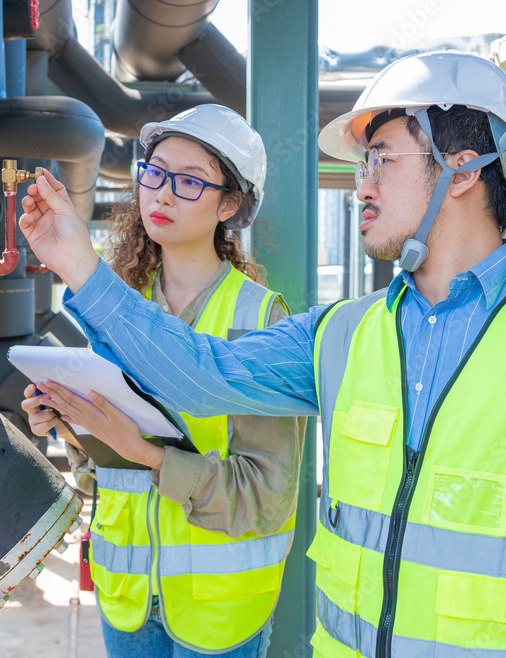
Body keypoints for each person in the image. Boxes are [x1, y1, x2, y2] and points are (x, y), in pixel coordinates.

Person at [19, 51, 506, 657]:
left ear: (462, 167)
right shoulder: (339, 335)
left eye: (381, 158)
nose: (362, 184)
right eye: (361, 165)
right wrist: (81, 267)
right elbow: (201, 375)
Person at [21, 104, 304, 657]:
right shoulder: (117, 309)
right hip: (127, 600)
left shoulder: (258, 318)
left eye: (190, 181)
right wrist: (74, 428)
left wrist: (149, 456)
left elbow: (267, 498)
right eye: (154, 172)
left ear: (230, 205)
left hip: (219, 613)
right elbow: (101, 476)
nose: (163, 194)